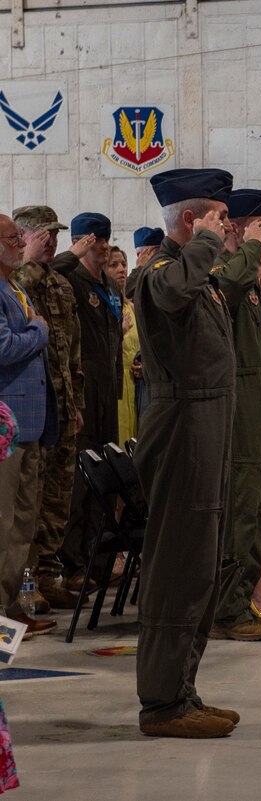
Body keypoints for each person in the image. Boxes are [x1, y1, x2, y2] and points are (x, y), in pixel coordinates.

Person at [127, 167, 244, 738]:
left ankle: (182, 690)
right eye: (220, 217)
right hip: (181, 426)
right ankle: (162, 704)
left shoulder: (201, 273)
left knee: (201, 562)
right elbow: (173, 294)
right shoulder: (159, 274)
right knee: (178, 563)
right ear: (193, 220)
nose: (228, 227)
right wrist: (202, 239)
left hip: (206, 423)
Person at [208, 188, 261, 642]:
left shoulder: (250, 282)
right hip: (239, 416)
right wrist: (250, 246)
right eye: (259, 228)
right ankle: (226, 611)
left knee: (258, 508)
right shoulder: (223, 274)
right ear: (235, 227)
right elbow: (227, 286)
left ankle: (245, 601)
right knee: (240, 510)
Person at [12, 206, 82, 612]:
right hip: (31, 411)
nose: (52, 242)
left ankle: (46, 575)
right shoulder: (18, 283)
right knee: (30, 502)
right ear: (21, 239)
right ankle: (25, 584)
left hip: (63, 405)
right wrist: (28, 260)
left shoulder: (60, 286)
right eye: (44, 235)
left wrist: (78, 403)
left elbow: (73, 353)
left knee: (58, 496)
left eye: (55, 235)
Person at [53, 212, 122, 589]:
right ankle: (72, 563)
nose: (102, 247)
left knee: (105, 478)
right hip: (83, 392)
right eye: (93, 242)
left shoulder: (111, 285)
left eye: (105, 242)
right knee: (80, 479)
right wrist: (72, 253)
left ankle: (99, 559)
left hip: (107, 393)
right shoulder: (71, 278)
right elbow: (46, 272)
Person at [0, 212, 56, 636]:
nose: (21, 244)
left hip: (31, 421)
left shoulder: (14, 286)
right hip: (7, 425)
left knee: (22, 521)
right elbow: (3, 347)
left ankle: (11, 606)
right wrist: (38, 331)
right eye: (12, 238)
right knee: (3, 520)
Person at [104, 247, 138, 446]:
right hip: (115, 386)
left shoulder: (131, 307)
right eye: (114, 265)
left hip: (135, 386)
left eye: (124, 264)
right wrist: (120, 332)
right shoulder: (106, 307)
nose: (121, 270)